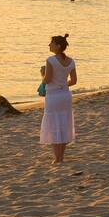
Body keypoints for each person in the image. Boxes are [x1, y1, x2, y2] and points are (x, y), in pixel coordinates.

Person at [39, 33, 77, 163]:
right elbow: (74, 81)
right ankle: (61, 157)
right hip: (65, 95)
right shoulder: (71, 61)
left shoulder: (51, 60)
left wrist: (42, 75)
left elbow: (48, 80)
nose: (49, 45)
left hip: (53, 96)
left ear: (58, 46)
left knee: (54, 125)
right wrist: (62, 84)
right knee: (64, 124)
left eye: (51, 43)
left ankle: (57, 158)